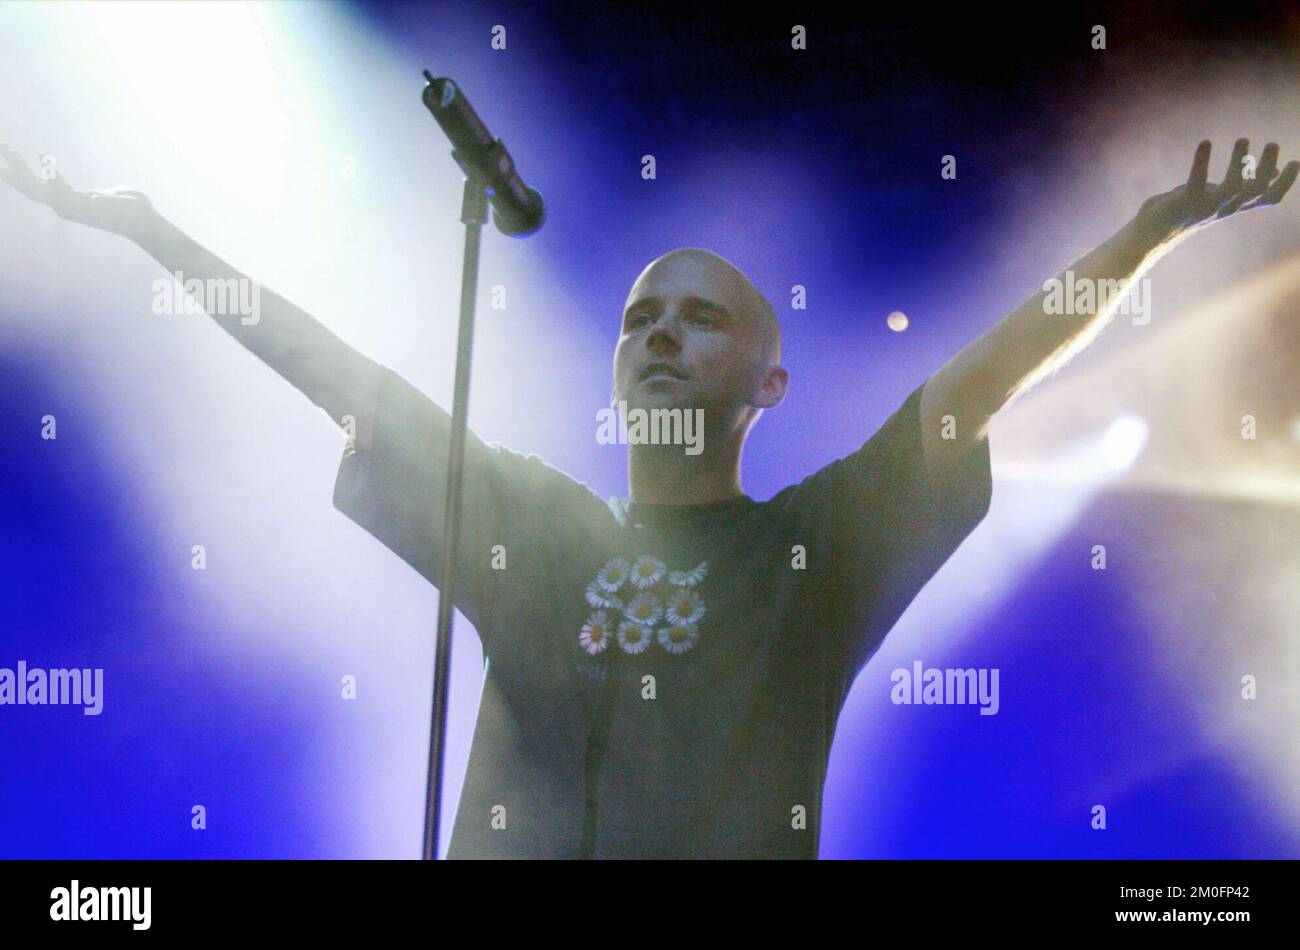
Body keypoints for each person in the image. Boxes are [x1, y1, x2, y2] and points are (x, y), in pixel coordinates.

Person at [2, 138, 1294, 858]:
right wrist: (150, 231)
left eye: (700, 317)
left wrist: (1148, 234)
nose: (660, 333)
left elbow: (978, 385)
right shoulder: (530, 524)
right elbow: (339, 376)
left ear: (771, 383)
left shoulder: (817, 547)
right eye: (639, 317)